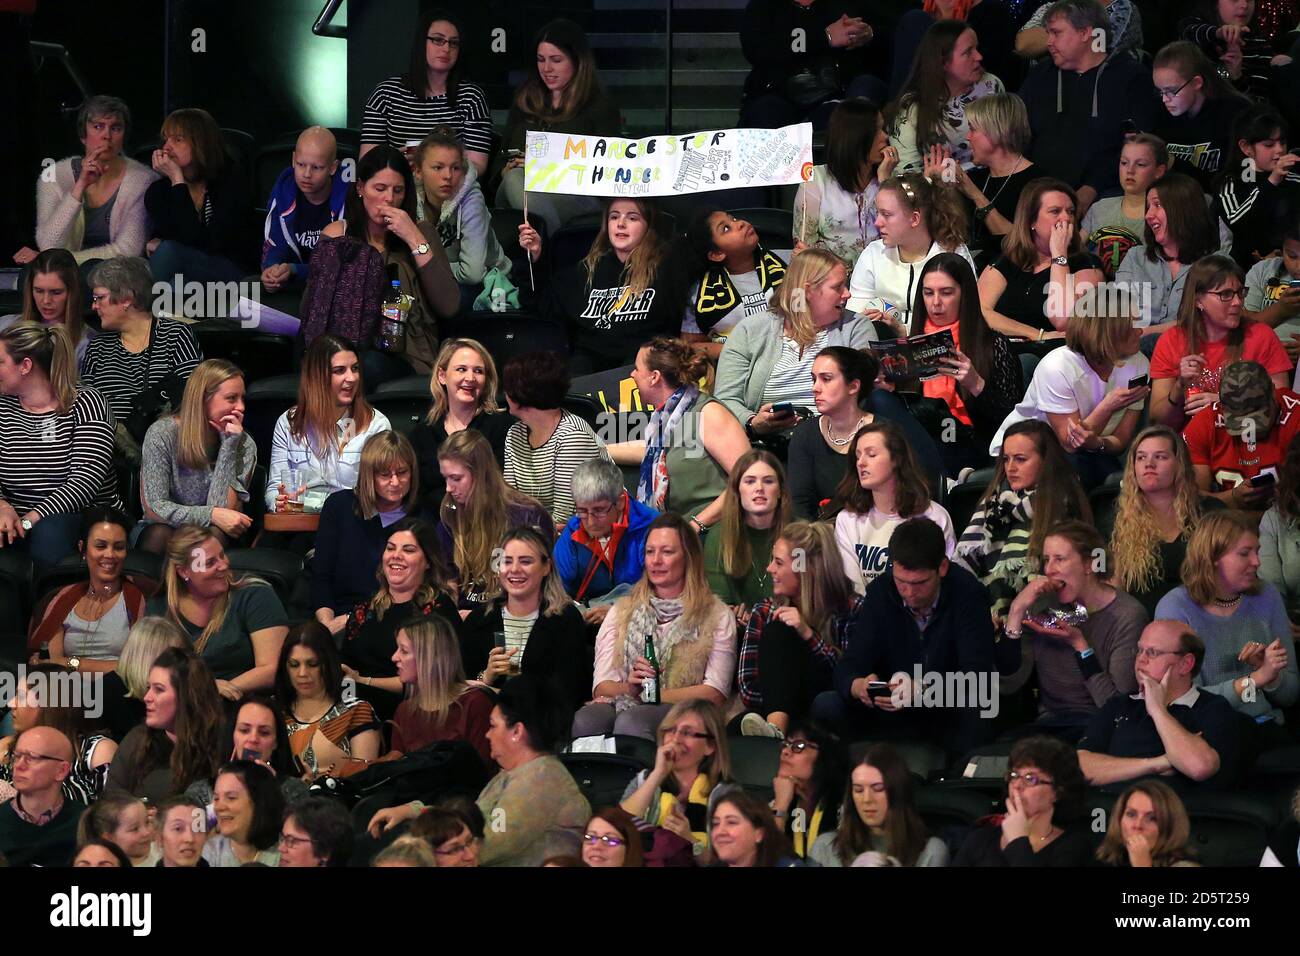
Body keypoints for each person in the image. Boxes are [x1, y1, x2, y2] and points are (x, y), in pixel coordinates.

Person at [368, 675, 592, 867]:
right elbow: (473, 820)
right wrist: (414, 811)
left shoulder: (540, 780)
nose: (487, 735)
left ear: (517, 731)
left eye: (493, 726)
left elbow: (480, 845)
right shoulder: (519, 773)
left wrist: (415, 842)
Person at [817, 516, 998, 753]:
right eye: (902, 581)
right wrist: (858, 685)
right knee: (827, 704)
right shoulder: (882, 592)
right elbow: (851, 662)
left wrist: (922, 689)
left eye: (920, 583)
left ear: (942, 568)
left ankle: (955, 782)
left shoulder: (968, 594)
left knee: (980, 710)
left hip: (945, 710)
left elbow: (977, 677)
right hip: (890, 708)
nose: (909, 592)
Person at [573, 514, 736, 741]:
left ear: (689, 558)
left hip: (686, 710)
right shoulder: (621, 611)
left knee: (633, 722)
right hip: (626, 701)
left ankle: (648, 778)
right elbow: (602, 687)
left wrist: (654, 696)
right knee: (586, 720)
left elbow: (714, 694)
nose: (656, 560)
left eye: (667, 552)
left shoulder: (717, 615)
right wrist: (631, 689)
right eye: (650, 552)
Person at [315, 145, 456, 386]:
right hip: (344, 348)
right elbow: (316, 308)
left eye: (398, 190)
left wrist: (413, 237)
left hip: (405, 356)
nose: (389, 199)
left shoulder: (421, 233)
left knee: (367, 365)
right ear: (360, 188)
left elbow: (449, 305)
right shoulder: (337, 237)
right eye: (379, 188)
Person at [1155, 511, 1297, 736]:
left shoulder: (1267, 596)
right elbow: (1182, 700)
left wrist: (1270, 675)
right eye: (1244, 554)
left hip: (1264, 727)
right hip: (1204, 734)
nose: (1257, 562)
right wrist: (1255, 679)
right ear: (1212, 557)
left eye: (1257, 551)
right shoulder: (1175, 607)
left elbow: (1291, 695)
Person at [1018, 0, 1160, 218]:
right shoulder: (1040, 76)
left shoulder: (1131, 78)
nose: (1048, 42)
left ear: (1085, 33)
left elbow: (1137, 145)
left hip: (1109, 193)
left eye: (1056, 33)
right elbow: (1019, 136)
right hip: (1042, 194)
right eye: (1048, 34)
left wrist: (1091, 188)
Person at [1001, 521, 1146, 734]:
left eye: (1060, 559)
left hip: (1099, 725)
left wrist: (1080, 646)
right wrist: (1016, 610)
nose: (1049, 570)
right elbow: (1008, 683)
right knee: (974, 763)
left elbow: (1117, 708)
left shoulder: (1127, 615)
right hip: (1048, 724)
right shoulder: (1043, 605)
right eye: (1046, 560)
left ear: (1089, 565)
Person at [720, 248, 876, 442]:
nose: (847, 294)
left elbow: (866, 389)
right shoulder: (751, 330)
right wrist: (753, 422)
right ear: (808, 291)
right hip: (770, 446)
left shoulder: (856, 328)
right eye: (838, 287)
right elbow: (725, 399)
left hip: (836, 442)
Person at [519, 197, 687, 375]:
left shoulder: (667, 266)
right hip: (589, 367)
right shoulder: (587, 270)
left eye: (632, 218)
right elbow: (542, 304)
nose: (621, 224)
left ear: (648, 226)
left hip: (644, 366)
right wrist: (536, 257)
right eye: (614, 217)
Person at [0, 322, 119, 573]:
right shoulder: (3, 407)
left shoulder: (87, 403)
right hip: (16, 517)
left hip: (79, 514)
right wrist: (2, 507)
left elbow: (84, 482)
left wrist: (29, 520)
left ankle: (47, 610)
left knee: (49, 534)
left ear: (25, 366)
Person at [991, 309, 1149, 490]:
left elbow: (1121, 440)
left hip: (1092, 452)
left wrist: (1098, 443)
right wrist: (1108, 407)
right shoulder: (1057, 366)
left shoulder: (1139, 363)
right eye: (1131, 327)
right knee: (1076, 475)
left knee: (1114, 481)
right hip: (1027, 454)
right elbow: (1070, 445)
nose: (1141, 332)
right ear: (1107, 333)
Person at [605, 336, 750, 533]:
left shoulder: (708, 413)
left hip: (715, 535)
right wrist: (598, 449)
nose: (632, 375)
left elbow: (749, 479)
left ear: (654, 377)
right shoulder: (671, 416)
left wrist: (697, 525)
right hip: (679, 535)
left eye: (637, 369)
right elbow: (655, 451)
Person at [954, 419, 1092, 622]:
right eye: (1006, 459)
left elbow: (1069, 586)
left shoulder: (1064, 506)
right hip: (989, 619)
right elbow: (965, 573)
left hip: (1048, 619)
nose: (1010, 468)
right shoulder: (992, 504)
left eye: (1020, 459)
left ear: (1045, 461)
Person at [494, 18, 622, 234]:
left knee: (524, 190)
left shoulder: (599, 107)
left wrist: (545, 166)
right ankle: (548, 252)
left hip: (575, 194)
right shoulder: (525, 99)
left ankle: (541, 252)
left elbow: (608, 172)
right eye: (540, 59)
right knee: (516, 181)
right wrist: (504, 170)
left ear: (577, 61)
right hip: (517, 187)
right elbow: (499, 159)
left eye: (556, 60)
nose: (546, 68)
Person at [1076, 620, 1241, 786]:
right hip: (1113, 807)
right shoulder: (1119, 705)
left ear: (1185, 664)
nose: (1141, 659)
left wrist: (1157, 709)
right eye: (1139, 650)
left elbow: (1199, 768)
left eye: (1152, 652)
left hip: (1176, 807)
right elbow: (1078, 769)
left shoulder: (1212, 708)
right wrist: (1156, 764)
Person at [786, 346, 944, 518]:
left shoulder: (886, 432)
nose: (815, 388)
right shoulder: (805, 434)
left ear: (853, 386)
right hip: (824, 537)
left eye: (826, 379)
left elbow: (911, 490)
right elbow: (799, 506)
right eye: (814, 379)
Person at [739, 521, 856, 738]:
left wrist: (808, 634)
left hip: (825, 717)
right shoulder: (764, 610)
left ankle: (776, 733)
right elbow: (747, 689)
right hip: (781, 712)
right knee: (733, 729)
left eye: (778, 562)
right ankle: (776, 730)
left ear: (805, 567)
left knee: (780, 632)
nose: (769, 568)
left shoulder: (849, 609)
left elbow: (849, 681)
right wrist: (784, 695)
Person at [908, 253, 1022, 474]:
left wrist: (976, 385)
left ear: (964, 295)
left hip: (970, 445)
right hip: (915, 443)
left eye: (947, 293)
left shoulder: (994, 345)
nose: (936, 302)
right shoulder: (911, 343)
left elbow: (1013, 424)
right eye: (928, 293)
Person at [15, 95, 157, 268]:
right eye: (98, 126)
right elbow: (49, 244)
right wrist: (79, 187)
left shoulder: (142, 180)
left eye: (116, 128)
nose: (107, 136)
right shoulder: (53, 176)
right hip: (64, 276)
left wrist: (62, 260)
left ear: (124, 136)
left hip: (118, 275)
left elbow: (128, 250)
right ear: (83, 135)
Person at [1149, 257, 1290, 430]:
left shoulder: (1262, 336)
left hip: (1247, 442)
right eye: (1225, 294)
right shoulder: (1172, 340)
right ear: (1198, 300)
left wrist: (1225, 402)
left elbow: (1283, 407)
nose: (1237, 302)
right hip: (1189, 446)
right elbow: (1159, 423)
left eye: (1240, 292)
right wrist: (1179, 387)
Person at [341, 518, 461, 721]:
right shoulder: (366, 609)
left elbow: (430, 682)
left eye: (408, 550)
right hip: (359, 716)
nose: (396, 556)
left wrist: (363, 681)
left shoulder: (438, 610)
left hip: (415, 717)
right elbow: (345, 670)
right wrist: (350, 719)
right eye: (390, 548)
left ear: (428, 562)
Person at [147, 525, 289, 695]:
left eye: (222, 555)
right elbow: (149, 669)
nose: (223, 565)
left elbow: (272, 669)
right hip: (181, 700)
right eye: (210, 563)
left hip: (240, 701)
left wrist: (214, 691)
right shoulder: (159, 606)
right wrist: (199, 689)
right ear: (184, 571)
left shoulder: (255, 594)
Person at [460, 527, 590, 712]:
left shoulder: (565, 619)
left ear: (546, 567)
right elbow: (462, 685)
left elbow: (566, 692)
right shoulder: (479, 619)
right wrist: (486, 677)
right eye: (507, 561)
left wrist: (495, 693)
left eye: (526, 561)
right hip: (484, 718)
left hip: (543, 722)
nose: (514, 570)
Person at [1107, 425, 1228, 618]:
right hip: (1144, 629)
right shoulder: (1119, 520)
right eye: (1141, 457)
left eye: (1160, 456)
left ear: (1179, 465)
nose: (1149, 464)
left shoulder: (1211, 513)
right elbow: (1114, 588)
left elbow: (1230, 579)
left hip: (1203, 621)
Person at [137, 359, 255, 555]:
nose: (241, 407)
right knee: (159, 534)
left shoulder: (243, 443)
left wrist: (228, 446)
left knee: (212, 536)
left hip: (212, 533)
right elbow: (155, 509)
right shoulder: (162, 433)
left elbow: (224, 510)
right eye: (232, 398)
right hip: (164, 527)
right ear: (202, 398)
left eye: (243, 398)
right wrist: (212, 514)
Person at [264, 333, 390, 514]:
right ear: (317, 377)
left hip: (350, 523)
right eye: (340, 370)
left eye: (355, 369)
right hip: (298, 522)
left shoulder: (376, 425)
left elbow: (380, 495)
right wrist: (279, 503)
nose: (352, 378)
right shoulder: (289, 423)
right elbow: (276, 487)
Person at [359, 7, 491, 175]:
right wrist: (395, 161)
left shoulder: (471, 97)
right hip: (399, 183)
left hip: (451, 186)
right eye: (438, 40)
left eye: (453, 43)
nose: (446, 49)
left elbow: (478, 165)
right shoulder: (386, 93)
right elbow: (367, 160)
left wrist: (440, 168)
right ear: (422, 43)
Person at [313, 431, 421, 633]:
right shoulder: (339, 507)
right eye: (385, 474)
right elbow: (322, 577)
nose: (395, 482)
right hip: (337, 617)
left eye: (402, 472)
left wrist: (351, 619)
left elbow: (416, 593)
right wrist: (326, 626)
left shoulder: (421, 519)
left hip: (394, 621)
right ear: (369, 474)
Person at [80, 255, 203, 429]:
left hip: (167, 442)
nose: (94, 306)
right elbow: (86, 409)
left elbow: (192, 398)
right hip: (110, 447)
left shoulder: (175, 335)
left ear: (126, 298)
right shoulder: (97, 348)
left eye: (99, 298)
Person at [436, 429, 553, 608]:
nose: (448, 488)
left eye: (456, 478)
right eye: (446, 478)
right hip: (464, 620)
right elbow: (448, 580)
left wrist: (480, 619)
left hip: (514, 614)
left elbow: (540, 587)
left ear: (481, 475)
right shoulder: (450, 513)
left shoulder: (528, 515)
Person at [977, 177, 1104, 340]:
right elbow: (979, 312)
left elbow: (1066, 320)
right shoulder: (1009, 261)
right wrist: (1037, 335)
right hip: (1007, 349)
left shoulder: (1086, 264)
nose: (1066, 218)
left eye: (1070, 211)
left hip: (1053, 355)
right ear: (1031, 220)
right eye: (1055, 211)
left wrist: (1059, 254)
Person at [835, 423, 955, 595]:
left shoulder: (935, 516)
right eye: (857, 456)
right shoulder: (848, 519)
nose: (861, 463)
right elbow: (853, 589)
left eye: (871, 454)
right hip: (868, 615)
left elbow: (945, 581)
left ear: (897, 459)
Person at [847, 174, 975, 331]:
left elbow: (967, 318)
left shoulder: (953, 252)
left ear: (914, 218)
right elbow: (854, 319)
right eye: (878, 213)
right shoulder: (873, 253)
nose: (877, 222)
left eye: (886, 215)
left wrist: (904, 332)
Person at [738, 0, 887, 131]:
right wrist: (826, 36)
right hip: (778, 94)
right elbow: (757, 49)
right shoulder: (764, 6)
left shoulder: (848, 4)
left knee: (857, 99)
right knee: (767, 111)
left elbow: (889, 32)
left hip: (838, 93)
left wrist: (868, 33)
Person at [28, 506, 145, 673]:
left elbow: (138, 668)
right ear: (83, 549)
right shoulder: (62, 600)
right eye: (100, 546)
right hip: (66, 692)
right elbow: (51, 664)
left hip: (120, 692)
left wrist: (71, 663)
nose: (110, 554)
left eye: (118, 547)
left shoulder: (138, 599)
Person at [502, 350, 611, 528]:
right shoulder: (516, 433)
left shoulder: (572, 437)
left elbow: (565, 519)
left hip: (585, 534)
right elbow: (510, 502)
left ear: (521, 395)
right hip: (536, 534)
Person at [618, 700, 738, 859]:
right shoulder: (645, 780)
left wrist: (690, 841)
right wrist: (658, 774)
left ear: (710, 746)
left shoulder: (727, 794)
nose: (676, 739)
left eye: (687, 733)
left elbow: (731, 860)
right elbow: (618, 827)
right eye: (671, 730)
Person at [143, 107, 251, 282]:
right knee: (175, 285)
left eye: (178, 140)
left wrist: (178, 181)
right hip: (189, 275)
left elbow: (205, 245)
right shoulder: (158, 192)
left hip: (232, 272)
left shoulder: (231, 182)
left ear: (201, 143)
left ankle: (138, 305)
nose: (167, 147)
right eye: (165, 140)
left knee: (169, 251)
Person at [105, 646, 224, 804]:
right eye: (149, 688)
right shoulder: (138, 739)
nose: (147, 697)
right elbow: (109, 806)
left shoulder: (221, 742)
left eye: (159, 690)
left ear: (187, 695)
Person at [409, 338, 514, 515]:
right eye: (461, 369)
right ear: (442, 376)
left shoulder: (502, 427)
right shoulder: (422, 433)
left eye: (478, 371)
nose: (470, 378)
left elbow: (504, 491)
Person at [953, 735, 1092, 866]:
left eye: (1030, 779)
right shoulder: (981, 839)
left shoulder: (1074, 849)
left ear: (1057, 792)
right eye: (1014, 775)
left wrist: (1018, 841)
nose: (1017, 785)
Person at [887, 19, 1004, 174]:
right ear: (943, 62)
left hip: (993, 180)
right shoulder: (911, 108)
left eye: (977, 48)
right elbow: (905, 174)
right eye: (968, 52)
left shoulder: (990, 85)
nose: (979, 56)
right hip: (938, 191)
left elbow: (1009, 145)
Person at [413, 127, 511, 310]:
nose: (448, 176)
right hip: (443, 278)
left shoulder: (471, 199)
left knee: (437, 302)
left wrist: (430, 268)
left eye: (455, 168)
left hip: (487, 284)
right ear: (418, 171)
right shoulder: (410, 196)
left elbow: (473, 273)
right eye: (438, 167)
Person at [1182, 360, 1300, 512]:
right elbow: (1192, 498)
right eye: (1242, 424)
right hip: (1227, 523)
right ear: (1222, 407)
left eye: (1257, 420)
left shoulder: (1296, 416)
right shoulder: (1205, 424)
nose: (1251, 430)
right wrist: (1232, 498)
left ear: (1273, 391)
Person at [809, 742, 950, 867]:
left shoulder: (930, 851)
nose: (866, 799)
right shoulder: (825, 847)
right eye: (858, 789)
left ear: (897, 791)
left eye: (877, 789)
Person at [1114, 173, 1222, 334]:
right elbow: (1118, 316)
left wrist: (1143, 333)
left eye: (1157, 205)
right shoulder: (1135, 257)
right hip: (1132, 352)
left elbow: (1207, 321)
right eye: (1148, 207)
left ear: (1183, 209)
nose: (1148, 215)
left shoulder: (1217, 264)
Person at [553, 458, 658, 620]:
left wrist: (618, 612)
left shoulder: (653, 528)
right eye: (582, 510)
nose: (590, 522)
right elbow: (555, 590)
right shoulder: (574, 529)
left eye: (599, 510)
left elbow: (665, 595)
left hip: (641, 621)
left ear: (620, 502)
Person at [791, 98, 891, 268]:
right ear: (856, 138)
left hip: (881, 276)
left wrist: (885, 182)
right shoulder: (815, 180)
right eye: (877, 130)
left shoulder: (889, 178)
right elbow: (804, 251)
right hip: (829, 281)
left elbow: (899, 238)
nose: (885, 136)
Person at [276, 622, 382, 779]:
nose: (302, 673)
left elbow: (364, 782)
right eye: (294, 665)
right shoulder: (273, 711)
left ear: (329, 662)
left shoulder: (356, 711)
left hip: (338, 801)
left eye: (313, 664)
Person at [0, 662, 116, 804]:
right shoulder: (7, 748)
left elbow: (109, 813)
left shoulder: (98, 751)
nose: (11, 703)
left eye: (21, 696)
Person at [389, 614, 495, 769]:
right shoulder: (404, 711)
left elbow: (482, 774)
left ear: (430, 656)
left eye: (403, 651)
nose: (394, 657)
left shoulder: (475, 704)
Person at [683, 207, 790, 360]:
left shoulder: (786, 262)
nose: (740, 223)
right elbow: (690, 347)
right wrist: (738, 350)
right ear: (717, 254)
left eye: (733, 219)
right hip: (736, 369)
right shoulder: (699, 293)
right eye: (726, 228)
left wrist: (808, 265)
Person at [1150, 41, 1251, 192]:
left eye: (1171, 91)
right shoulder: (1162, 115)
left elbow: (1245, 178)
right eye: (1160, 91)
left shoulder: (1235, 114)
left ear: (1197, 82)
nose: (1165, 99)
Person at [953, 92, 1038, 269]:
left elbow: (1023, 249)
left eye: (973, 129)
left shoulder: (1038, 184)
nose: (968, 137)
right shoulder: (975, 178)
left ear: (997, 132)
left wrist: (976, 195)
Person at [705, 450, 791, 618]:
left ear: (780, 491)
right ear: (737, 491)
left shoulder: (799, 535)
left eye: (768, 481)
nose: (759, 488)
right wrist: (733, 615)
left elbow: (805, 592)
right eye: (750, 482)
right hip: (733, 633)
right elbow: (719, 603)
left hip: (787, 628)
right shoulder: (718, 536)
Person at [260, 126, 348, 292]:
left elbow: (340, 266)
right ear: (293, 159)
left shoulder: (347, 200)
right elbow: (275, 243)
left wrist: (294, 270)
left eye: (316, 167)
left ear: (333, 167)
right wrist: (272, 270)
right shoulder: (283, 191)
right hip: (293, 282)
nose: (306, 174)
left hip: (332, 289)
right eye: (301, 164)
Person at [1217, 106, 1300, 269]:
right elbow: (1237, 222)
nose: (1280, 150)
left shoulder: (1295, 178)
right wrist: (1272, 181)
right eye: (1269, 144)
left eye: (1282, 142)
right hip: (1242, 269)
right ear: (1246, 147)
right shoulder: (1231, 182)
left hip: (1291, 266)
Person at [1082, 135, 1171, 279]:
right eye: (1124, 162)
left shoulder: (1164, 215)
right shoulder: (1100, 208)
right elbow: (1074, 256)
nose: (1130, 170)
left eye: (1140, 164)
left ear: (1159, 171)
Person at [0, 727, 83, 867]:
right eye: (17, 756)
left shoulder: (86, 824)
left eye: (32, 758)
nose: (19, 765)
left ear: (61, 770)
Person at [98, 616, 188, 743]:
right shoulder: (104, 692)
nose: (182, 664)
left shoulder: (177, 692)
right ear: (149, 659)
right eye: (173, 658)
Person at [766, 721, 848, 860]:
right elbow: (764, 859)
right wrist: (780, 807)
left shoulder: (843, 807)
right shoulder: (777, 804)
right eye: (785, 745)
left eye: (798, 746)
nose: (785, 752)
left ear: (823, 756)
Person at [1179, 0, 1289, 103]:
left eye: (1249, 0)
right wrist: (1219, 33)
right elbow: (1189, 33)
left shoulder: (1260, 45)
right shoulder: (1197, 29)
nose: (1244, 5)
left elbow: (1257, 106)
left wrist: (1237, 76)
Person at [0, 249, 91, 364]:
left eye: (56, 292)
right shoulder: (4, 325)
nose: (46, 301)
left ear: (72, 292)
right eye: (39, 291)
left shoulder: (87, 344)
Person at [1096, 780, 1198, 867]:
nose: (1138, 825)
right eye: (1131, 814)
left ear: (1170, 825)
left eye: (1152, 818)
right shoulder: (1104, 858)